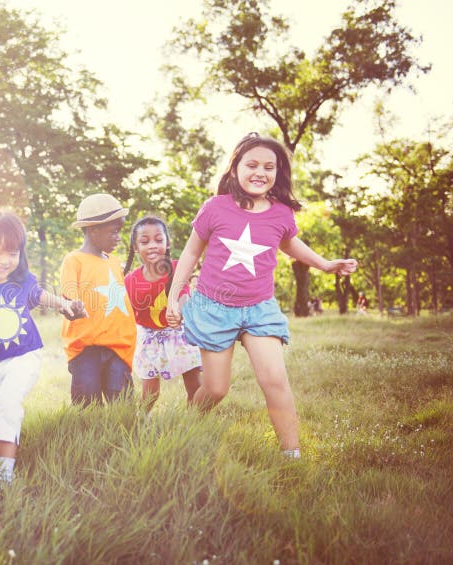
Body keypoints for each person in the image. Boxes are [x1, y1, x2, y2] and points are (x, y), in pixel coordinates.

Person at [166, 132, 357, 458]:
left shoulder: (281, 213)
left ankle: (291, 455)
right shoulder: (215, 208)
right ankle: (187, 427)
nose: (260, 172)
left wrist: (326, 265)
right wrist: (174, 296)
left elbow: (290, 243)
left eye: (269, 166)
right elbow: (189, 254)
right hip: (214, 308)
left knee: (275, 380)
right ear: (235, 168)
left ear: (278, 173)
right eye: (251, 164)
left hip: (259, 309)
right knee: (215, 388)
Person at [0, 210, 85, 486]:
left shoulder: (20, 280)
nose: (6, 261)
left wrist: (64, 305)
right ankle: (0, 456)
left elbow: (40, 295)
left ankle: (6, 471)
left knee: (8, 402)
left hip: (24, 355)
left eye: (13, 253)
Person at [60, 193, 137, 407]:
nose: (119, 237)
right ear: (93, 230)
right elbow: (68, 296)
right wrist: (72, 305)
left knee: (122, 405)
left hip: (117, 347)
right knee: (87, 404)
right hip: (86, 349)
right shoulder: (74, 260)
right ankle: (89, 440)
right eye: (114, 232)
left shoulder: (114, 262)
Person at [123, 216, 201, 412]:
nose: (152, 246)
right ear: (135, 247)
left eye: (158, 240)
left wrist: (180, 311)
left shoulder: (176, 268)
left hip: (178, 335)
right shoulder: (130, 280)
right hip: (149, 339)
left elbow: (183, 293)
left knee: (194, 386)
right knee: (150, 393)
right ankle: (141, 421)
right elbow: (126, 313)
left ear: (167, 244)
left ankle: (195, 421)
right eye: (144, 241)